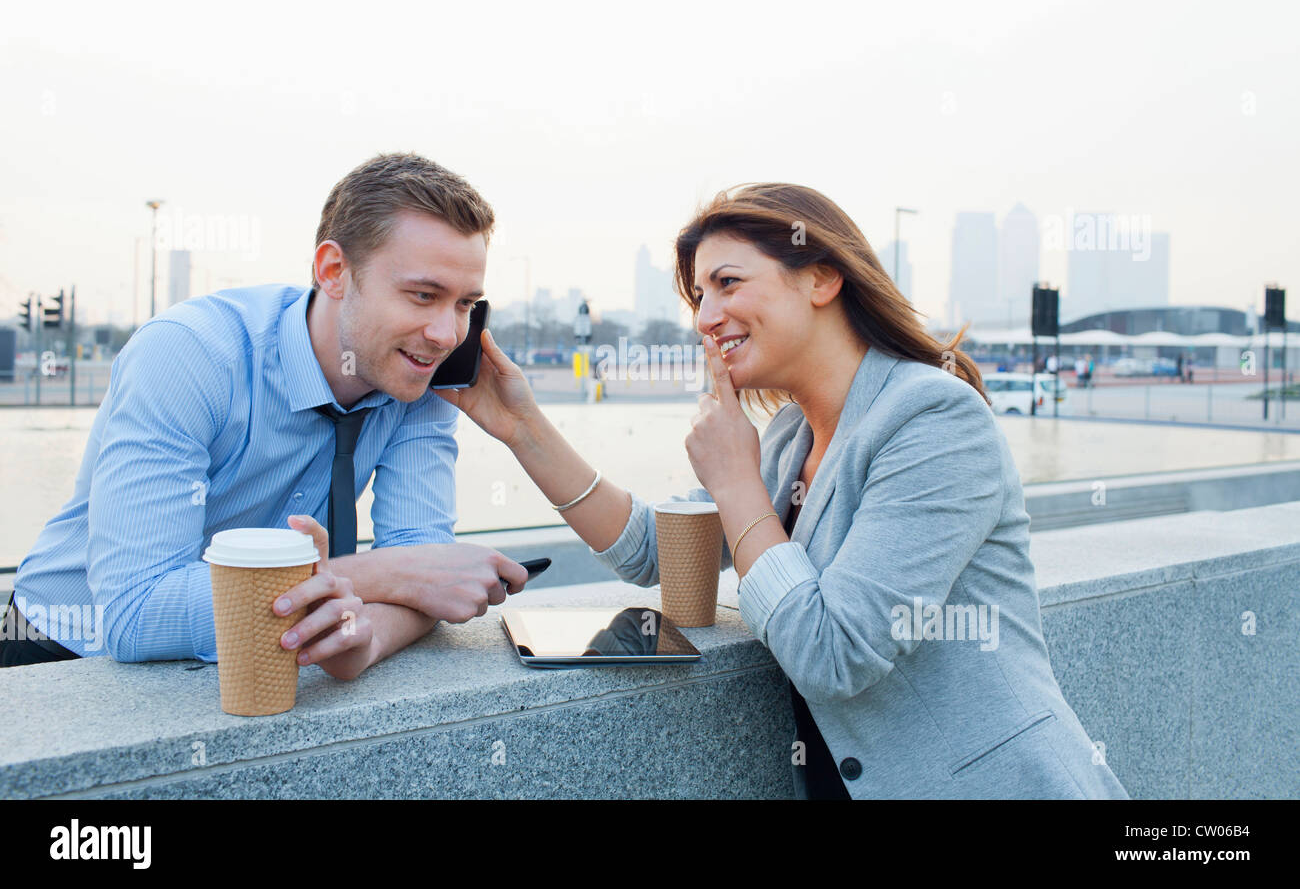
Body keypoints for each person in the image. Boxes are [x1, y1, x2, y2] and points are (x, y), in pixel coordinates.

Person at [446, 183, 1130, 799]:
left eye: (727, 283)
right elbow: (657, 553)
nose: (705, 317)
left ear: (823, 277)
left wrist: (736, 479)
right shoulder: (792, 436)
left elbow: (836, 652)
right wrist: (522, 427)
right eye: (698, 297)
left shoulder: (933, 420)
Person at [1, 153, 528, 673]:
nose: (446, 334)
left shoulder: (418, 372)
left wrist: (362, 644)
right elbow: (136, 614)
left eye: (464, 304)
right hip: (63, 656)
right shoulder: (189, 354)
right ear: (334, 270)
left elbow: (427, 578)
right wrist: (373, 574)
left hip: (257, 656)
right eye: (422, 295)